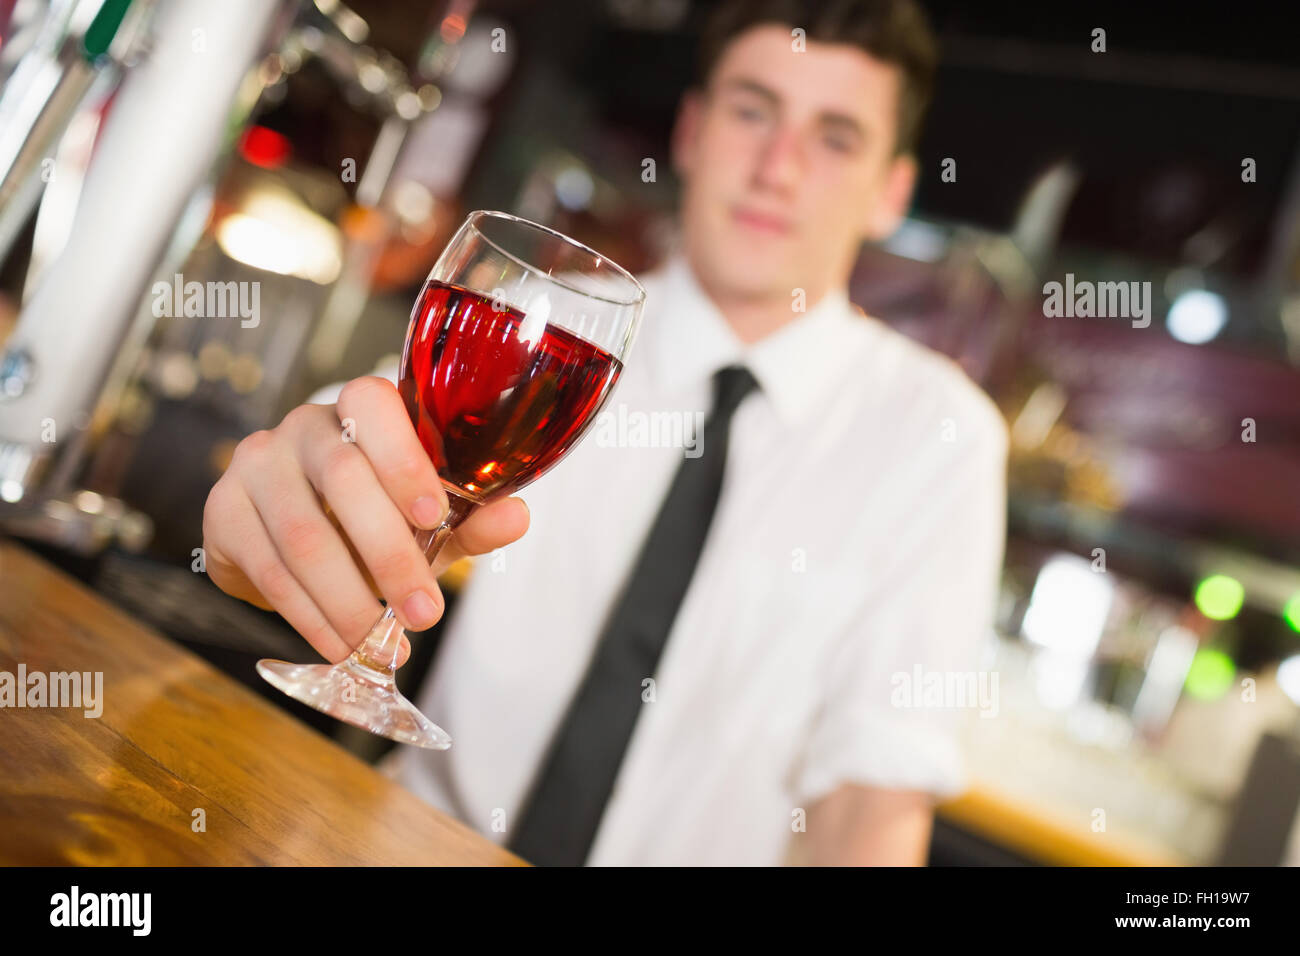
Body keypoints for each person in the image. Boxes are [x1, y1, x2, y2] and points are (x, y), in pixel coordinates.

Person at [202, 0, 1008, 865]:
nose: (778, 169)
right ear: (691, 132)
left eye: (836, 138)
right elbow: (318, 478)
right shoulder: (539, 327)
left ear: (892, 193)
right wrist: (267, 522)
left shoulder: (940, 436)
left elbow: (872, 796)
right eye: (752, 111)